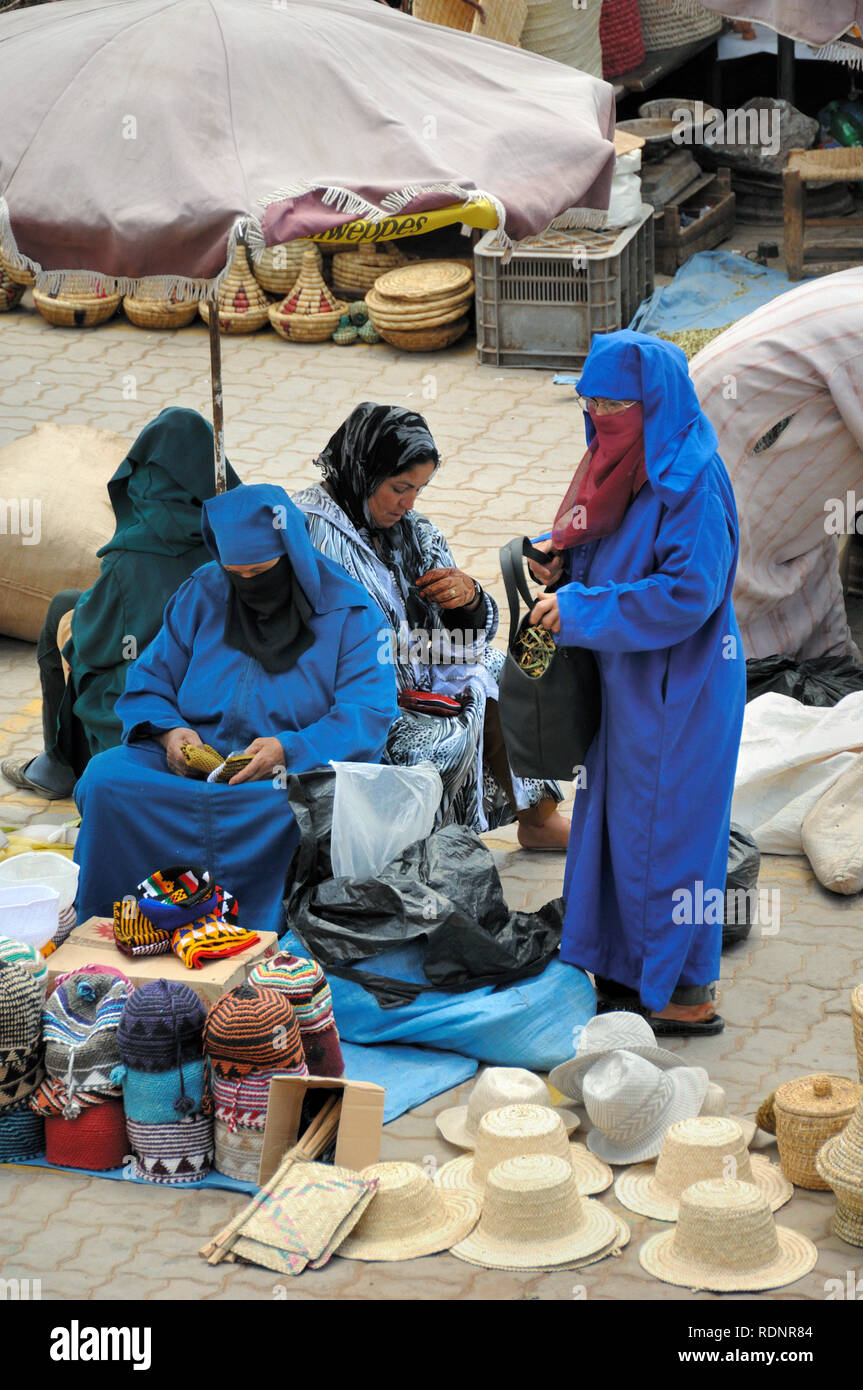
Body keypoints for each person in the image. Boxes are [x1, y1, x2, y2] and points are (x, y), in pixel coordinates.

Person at [529, 331, 746, 1036]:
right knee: (616, 829)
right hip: (624, 680)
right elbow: (604, 540)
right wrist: (562, 565)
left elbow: (689, 591)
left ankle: (684, 993)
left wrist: (583, 608)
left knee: (665, 836)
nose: (598, 417)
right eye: (588, 402)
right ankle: (624, 974)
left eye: (614, 404)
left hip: (676, 689)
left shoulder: (689, 477)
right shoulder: (617, 457)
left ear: (654, 402)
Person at [74, 483, 398, 937]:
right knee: (105, 780)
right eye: (236, 574)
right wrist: (170, 732)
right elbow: (149, 680)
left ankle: (261, 935)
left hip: (283, 783)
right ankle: (115, 923)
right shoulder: (204, 592)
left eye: (261, 572)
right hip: (189, 770)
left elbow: (368, 714)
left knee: (309, 816)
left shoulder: (352, 614)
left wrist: (289, 748)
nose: (249, 586)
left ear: (293, 555)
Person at [292, 401, 569, 846]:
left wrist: (468, 598)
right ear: (363, 471)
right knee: (439, 740)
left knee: (503, 670)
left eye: (419, 489)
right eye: (400, 487)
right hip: (357, 697)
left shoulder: (411, 529)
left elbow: (462, 638)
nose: (410, 503)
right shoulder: (308, 530)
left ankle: (537, 819)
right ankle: (424, 846)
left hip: (419, 674)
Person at [1, 407, 240, 799]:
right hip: (226, 690)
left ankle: (60, 763)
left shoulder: (137, 556)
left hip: (169, 712)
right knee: (75, 609)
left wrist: (84, 623)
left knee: (67, 627)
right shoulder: (240, 532)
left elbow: (96, 642)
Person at [690, 267, 863, 660]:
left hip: (766, 428)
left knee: (805, 555)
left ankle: (826, 680)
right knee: (736, 589)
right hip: (727, 439)